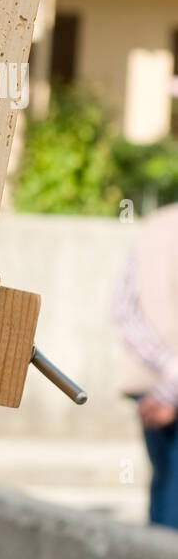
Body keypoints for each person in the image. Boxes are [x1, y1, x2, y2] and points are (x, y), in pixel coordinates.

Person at [111, 203, 178, 529]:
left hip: (149, 386)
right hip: (163, 392)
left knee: (163, 483)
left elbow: (124, 311)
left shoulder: (152, 226)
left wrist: (165, 381)